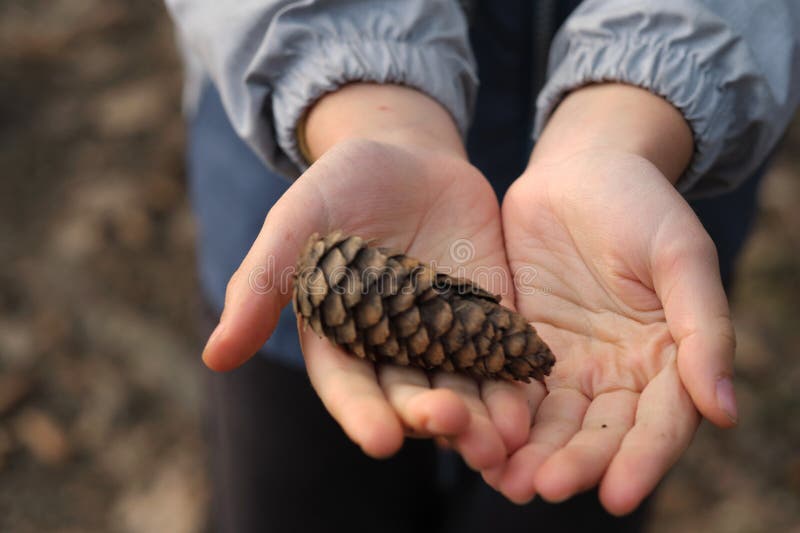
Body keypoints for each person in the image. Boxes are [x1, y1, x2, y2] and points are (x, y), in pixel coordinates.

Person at [165, 1, 800, 531]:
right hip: (302, 144)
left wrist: (641, 102)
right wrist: (359, 88)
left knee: (556, 497)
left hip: (626, 257)